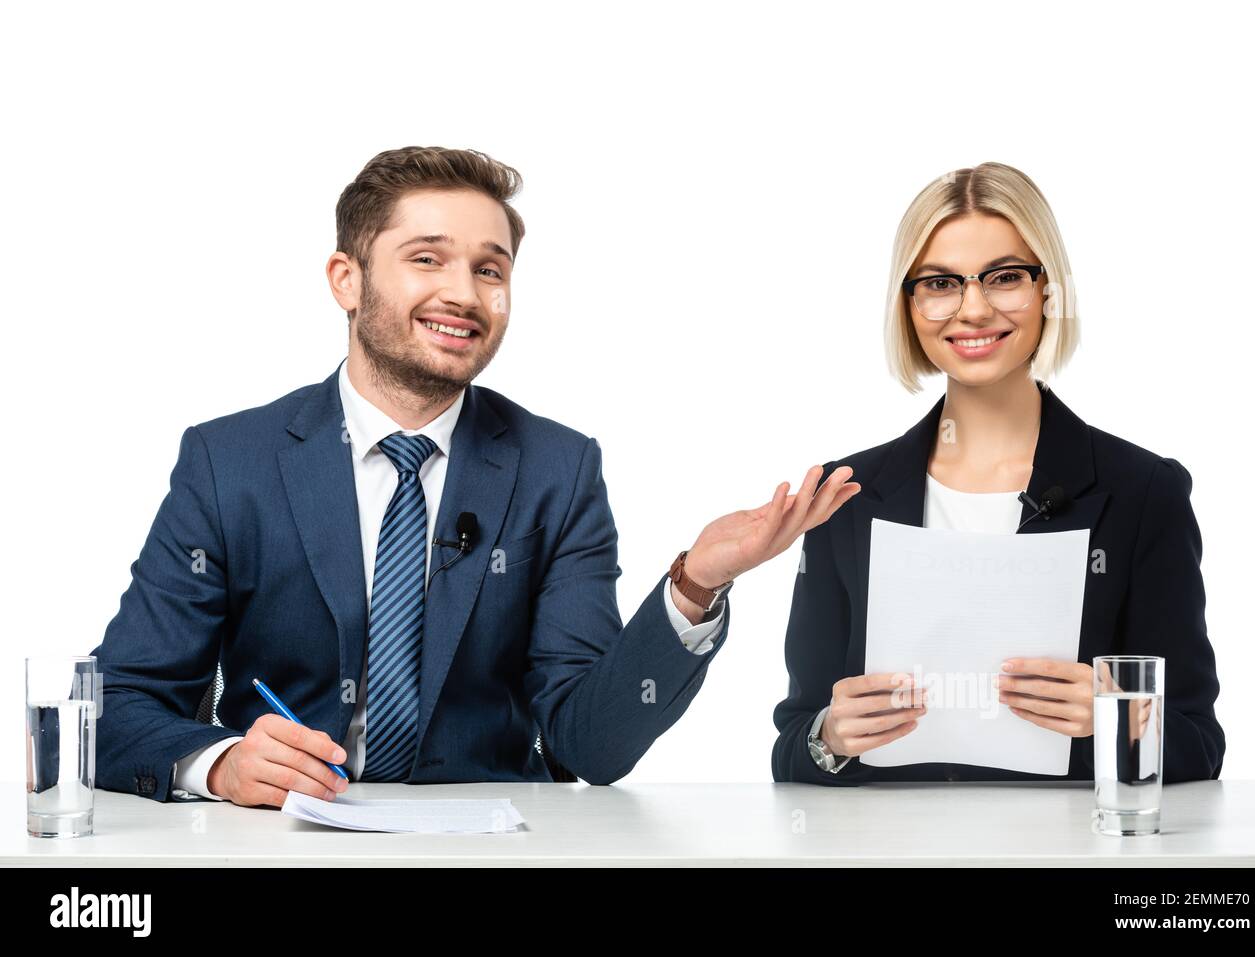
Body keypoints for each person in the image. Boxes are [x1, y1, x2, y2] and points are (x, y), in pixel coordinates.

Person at [91, 146, 860, 808]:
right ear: (346, 279)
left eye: (489, 268)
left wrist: (695, 585)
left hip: (494, 844)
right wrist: (220, 764)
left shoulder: (559, 469)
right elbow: (118, 703)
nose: (464, 293)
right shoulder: (231, 462)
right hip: (285, 837)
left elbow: (590, 744)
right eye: (426, 258)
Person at [773, 162, 1225, 785]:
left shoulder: (1144, 492)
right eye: (940, 283)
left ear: (1049, 291)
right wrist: (830, 736)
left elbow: (1200, 746)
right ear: (909, 304)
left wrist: (1115, 716)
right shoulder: (845, 494)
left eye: (1006, 277)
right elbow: (793, 746)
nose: (974, 309)